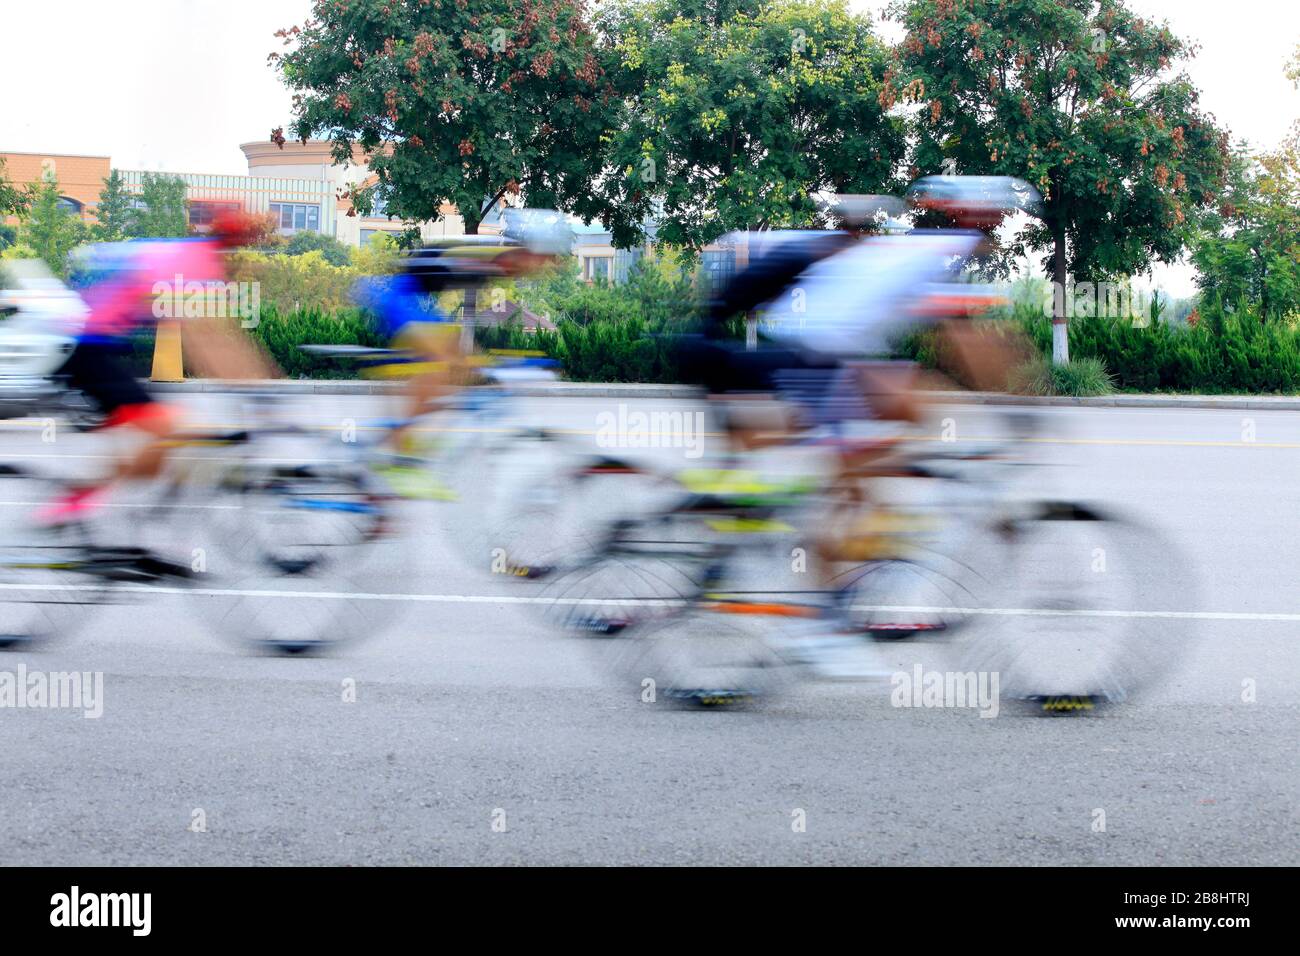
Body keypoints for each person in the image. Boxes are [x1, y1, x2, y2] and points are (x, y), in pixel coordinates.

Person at [38, 212, 277, 523]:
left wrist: (253, 379)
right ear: (233, 243)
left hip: (102, 349)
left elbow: (213, 339)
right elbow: (205, 341)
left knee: (159, 450)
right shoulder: (196, 264)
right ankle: (71, 509)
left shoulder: (192, 256)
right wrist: (256, 384)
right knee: (168, 430)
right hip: (90, 352)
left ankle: (101, 509)